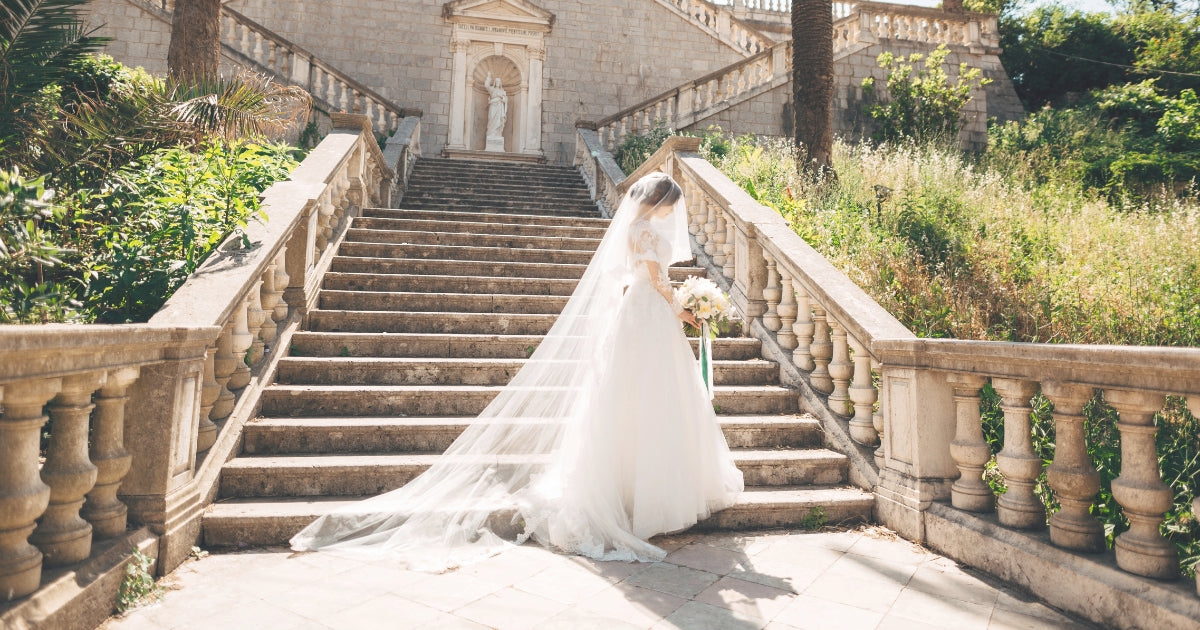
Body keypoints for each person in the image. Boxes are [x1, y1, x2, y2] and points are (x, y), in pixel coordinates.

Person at [290, 173, 744, 570]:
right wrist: (687, 310)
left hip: (639, 316)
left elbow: (634, 279)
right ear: (660, 200)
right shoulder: (645, 233)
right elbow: (659, 281)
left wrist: (679, 306)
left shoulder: (634, 229)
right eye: (671, 204)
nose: (672, 213)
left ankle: (634, 493)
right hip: (649, 314)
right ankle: (647, 501)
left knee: (634, 398)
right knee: (652, 397)